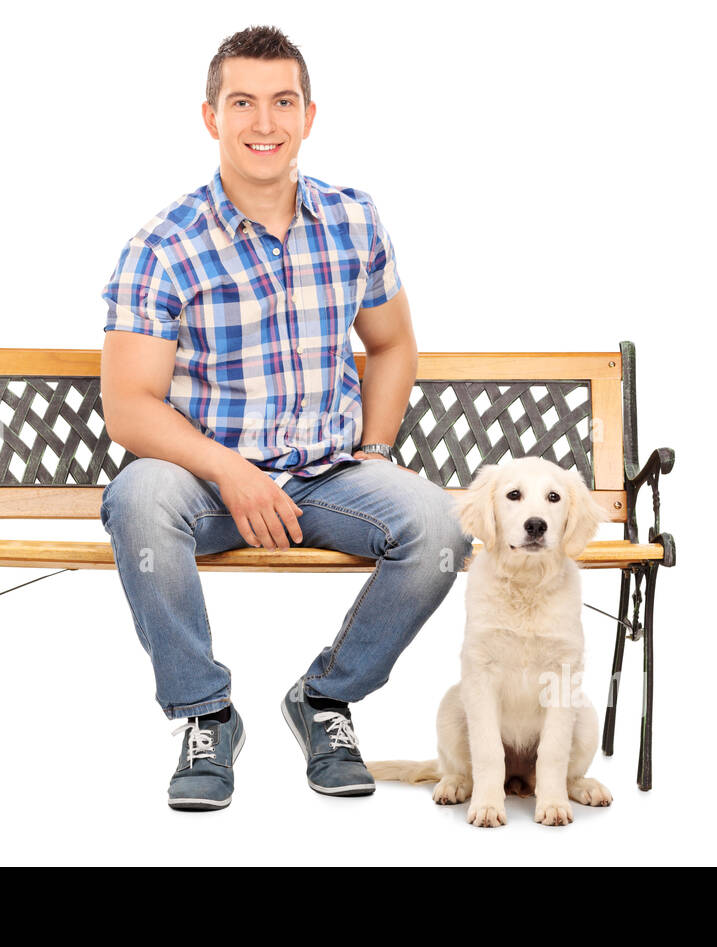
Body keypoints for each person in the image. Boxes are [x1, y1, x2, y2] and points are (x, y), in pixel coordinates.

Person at [98, 25, 473, 811]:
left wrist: (375, 449)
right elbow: (129, 406)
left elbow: (394, 343)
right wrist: (229, 472)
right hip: (204, 481)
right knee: (138, 498)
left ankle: (326, 699)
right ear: (211, 117)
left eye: (282, 102)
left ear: (309, 116)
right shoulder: (163, 245)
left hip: (326, 474)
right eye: (243, 102)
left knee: (440, 529)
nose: (263, 123)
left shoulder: (353, 220)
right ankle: (205, 713)